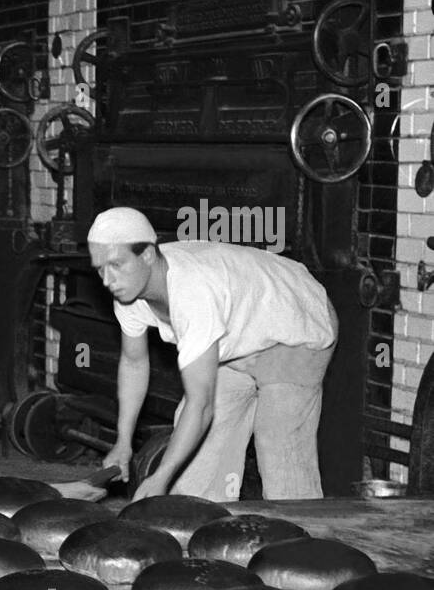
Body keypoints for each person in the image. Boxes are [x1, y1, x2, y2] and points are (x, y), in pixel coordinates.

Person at [88, 207, 338, 501]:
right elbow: (133, 362)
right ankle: (202, 529)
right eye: (101, 268)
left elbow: (202, 404)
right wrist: (123, 441)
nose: (108, 280)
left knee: (277, 440)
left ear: (147, 255)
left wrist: (161, 479)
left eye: (116, 264)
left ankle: (301, 537)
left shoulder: (192, 292)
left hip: (296, 324)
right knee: (197, 435)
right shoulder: (129, 291)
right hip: (239, 337)